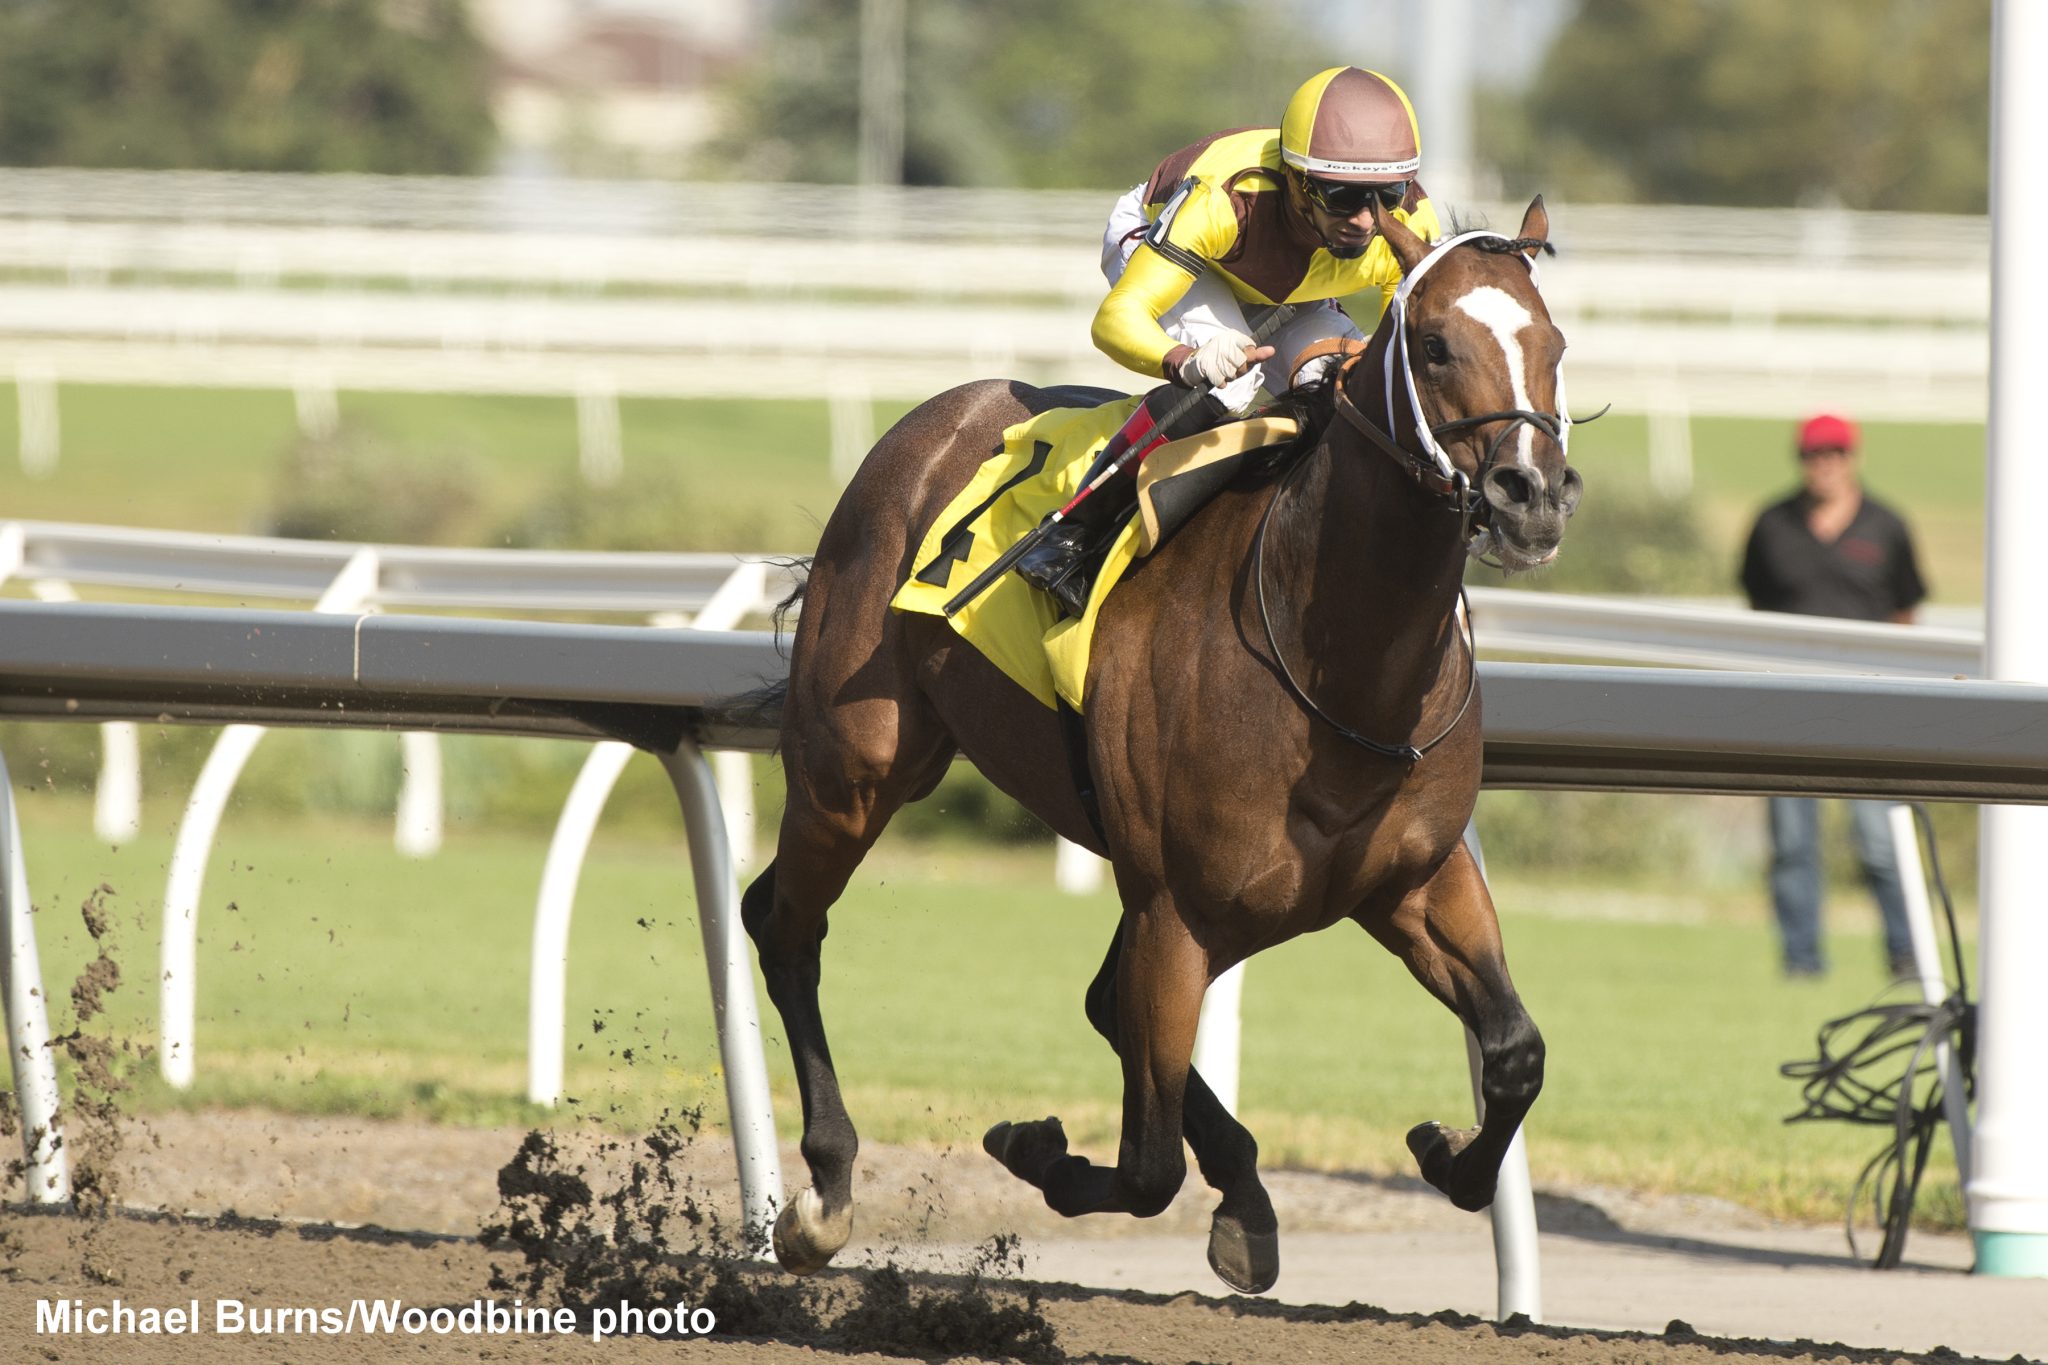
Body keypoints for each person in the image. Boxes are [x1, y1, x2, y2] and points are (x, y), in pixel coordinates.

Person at [1016, 66, 1442, 610]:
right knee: (1228, 387)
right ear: (1296, 180)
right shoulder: (1225, 201)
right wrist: (1185, 362)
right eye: (1341, 196)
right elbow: (1115, 319)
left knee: (1342, 389)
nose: (1365, 221)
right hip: (1176, 249)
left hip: (1291, 280)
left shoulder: (1410, 221)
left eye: (1386, 194)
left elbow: (1390, 367)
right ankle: (1071, 534)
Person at [1739, 412, 1928, 978]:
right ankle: (1802, 961)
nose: (1823, 465)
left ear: (1851, 458)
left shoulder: (1887, 526)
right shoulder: (1772, 524)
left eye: (1833, 454)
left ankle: (1907, 957)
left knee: (1883, 842)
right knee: (1793, 843)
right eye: (1813, 455)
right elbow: (1755, 610)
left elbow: (1905, 614)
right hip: (1788, 707)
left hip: (1871, 707)